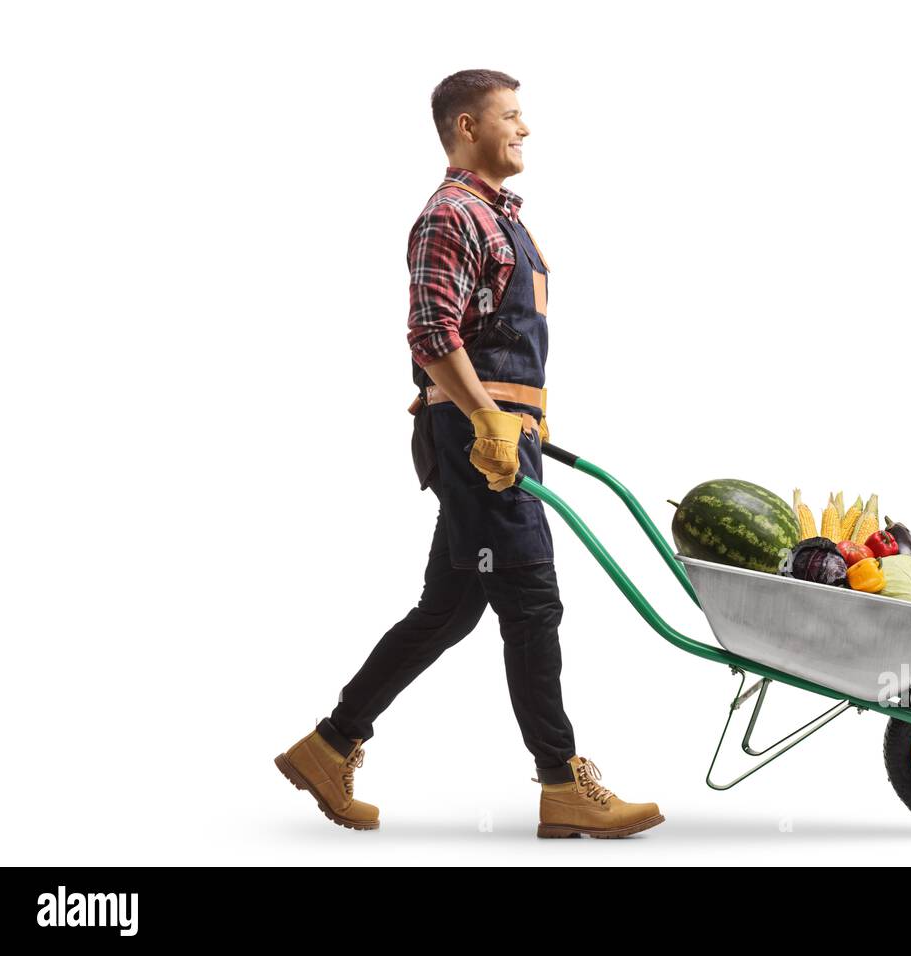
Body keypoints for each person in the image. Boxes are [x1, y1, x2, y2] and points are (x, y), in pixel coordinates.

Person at [274, 69, 665, 839]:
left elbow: (496, 344)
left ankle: (330, 744)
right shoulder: (450, 215)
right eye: (510, 117)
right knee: (531, 602)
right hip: (479, 441)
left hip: (500, 437)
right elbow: (430, 334)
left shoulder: (501, 218)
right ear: (465, 126)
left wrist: (521, 417)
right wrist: (490, 419)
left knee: (450, 607)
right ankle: (562, 784)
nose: (525, 130)